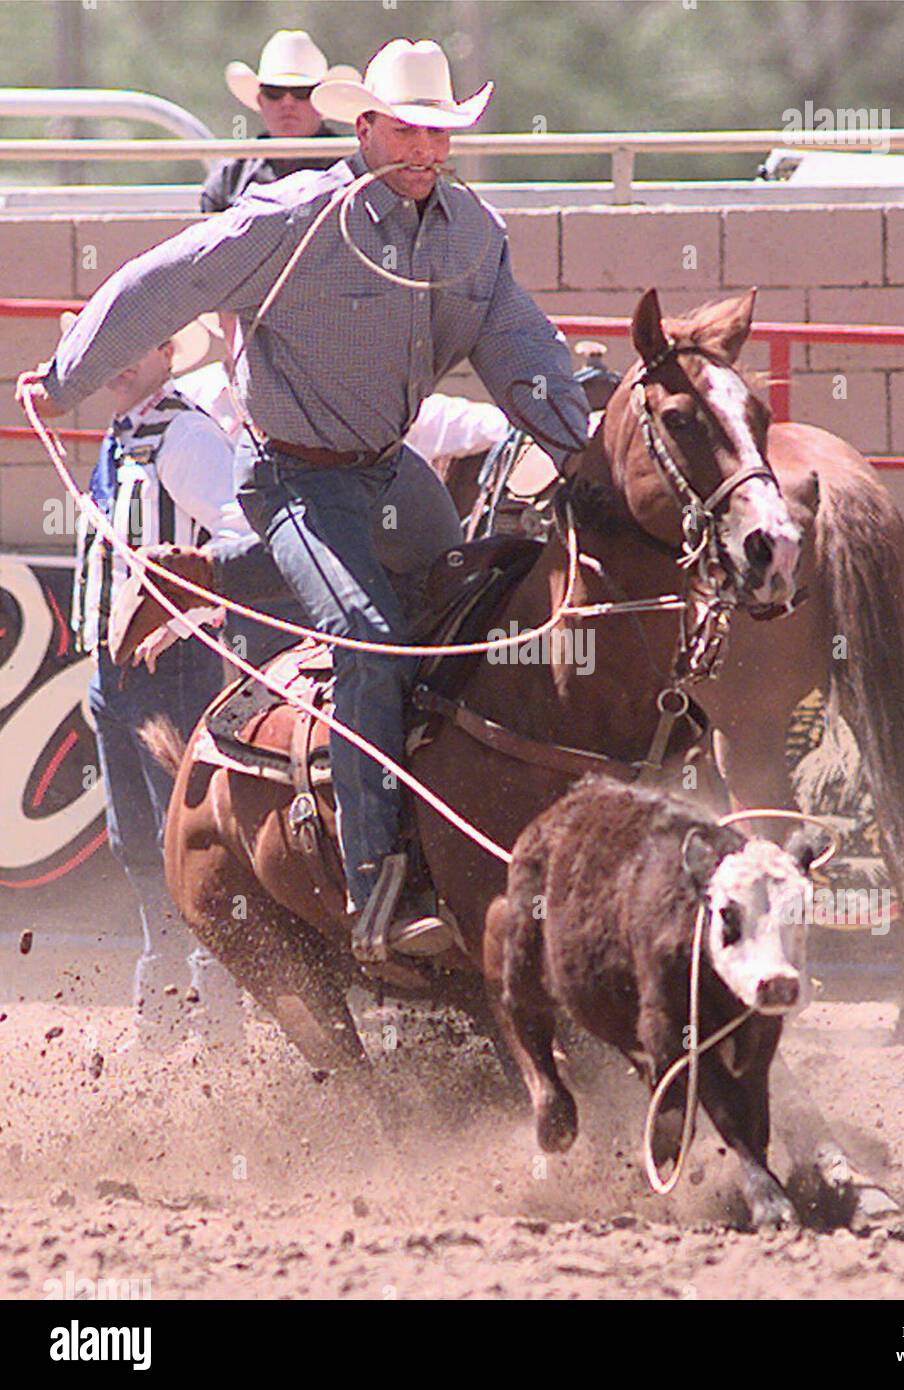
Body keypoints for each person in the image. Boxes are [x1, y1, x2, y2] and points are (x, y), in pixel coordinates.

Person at [24, 37, 591, 965]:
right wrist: (67, 376)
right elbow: (165, 281)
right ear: (363, 126)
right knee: (368, 633)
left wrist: (577, 432)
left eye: (439, 132)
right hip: (294, 477)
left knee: (469, 595)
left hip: (388, 471)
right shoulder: (288, 218)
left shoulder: (470, 234)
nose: (424, 149)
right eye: (407, 128)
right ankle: (373, 883)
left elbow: (516, 339)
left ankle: (215, 581)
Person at [64, 317, 251, 1049]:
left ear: (166, 352)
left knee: (186, 840)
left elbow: (237, 535)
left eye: (128, 345)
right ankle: (173, 996)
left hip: (171, 669)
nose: (114, 364)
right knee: (136, 839)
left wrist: (190, 613)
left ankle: (207, 1006)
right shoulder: (128, 434)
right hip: (120, 672)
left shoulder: (186, 436)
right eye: (100, 351)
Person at [201, 29, 359, 213]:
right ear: (260, 100)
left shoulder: (351, 167)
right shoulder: (231, 175)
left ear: (321, 101)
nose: (287, 103)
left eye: (302, 92)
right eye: (274, 92)